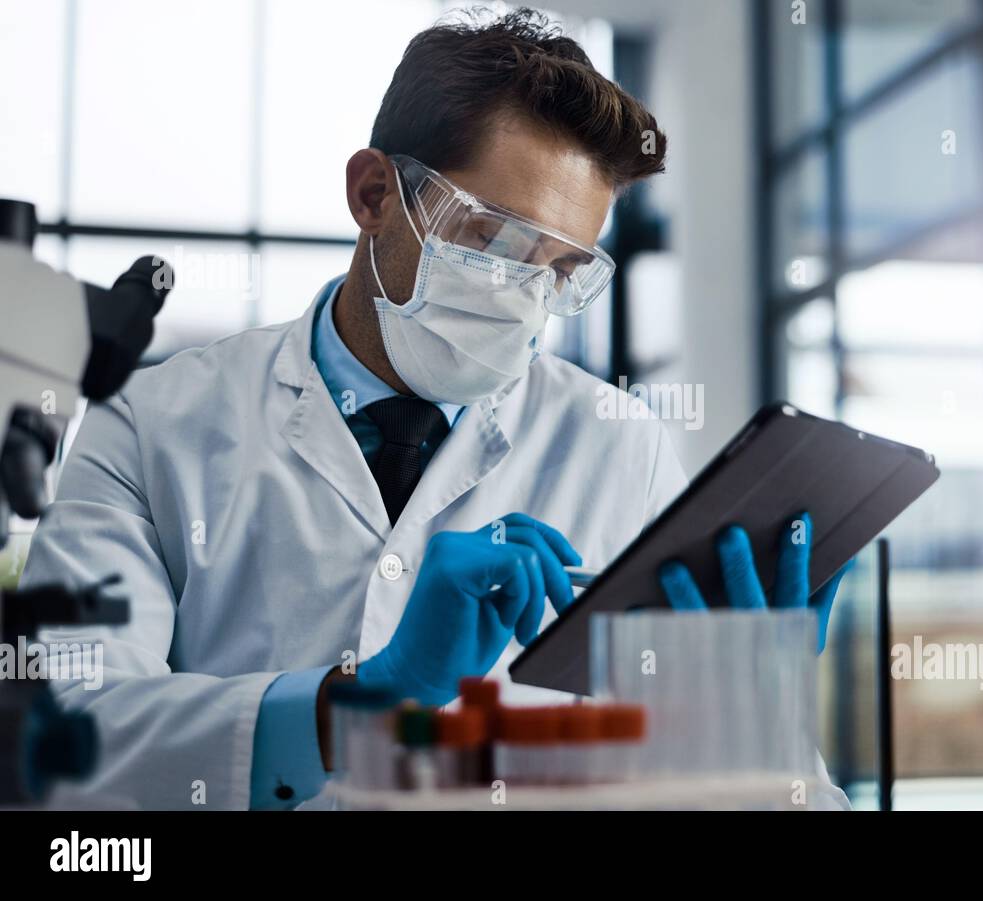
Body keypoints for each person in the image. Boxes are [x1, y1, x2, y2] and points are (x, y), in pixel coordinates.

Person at [22, 9, 846, 810]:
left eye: (559, 270)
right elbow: (61, 744)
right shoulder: (152, 421)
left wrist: (752, 717)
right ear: (374, 192)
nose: (527, 302)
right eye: (493, 238)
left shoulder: (619, 448)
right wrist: (362, 704)